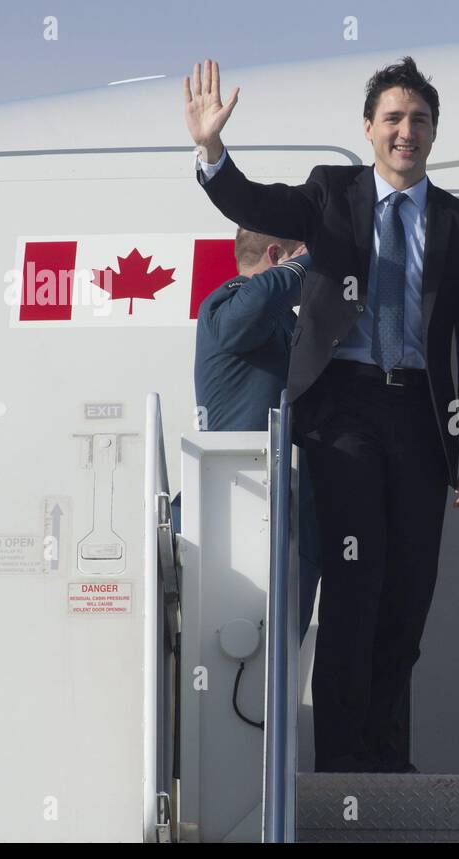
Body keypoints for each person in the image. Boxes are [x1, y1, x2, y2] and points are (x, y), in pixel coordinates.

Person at [183, 57, 459, 772]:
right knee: (357, 588)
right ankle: (346, 767)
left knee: (409, 592)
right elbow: (256, 203)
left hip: (421, 416)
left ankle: (387, 762)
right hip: (343, 410)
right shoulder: (332, 194)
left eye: (419, 119)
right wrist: (212, 152)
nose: (406, 130)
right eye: (392, 118)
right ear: (368, 129)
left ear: (434, 132)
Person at [192, 227, 320, 637]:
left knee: (278, 648)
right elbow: (256, 303)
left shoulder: (278, 319)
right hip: (243, 505)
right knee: (248, 647)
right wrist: (311, 259)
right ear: (276, 256)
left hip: (275, 505)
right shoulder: (229, 303)